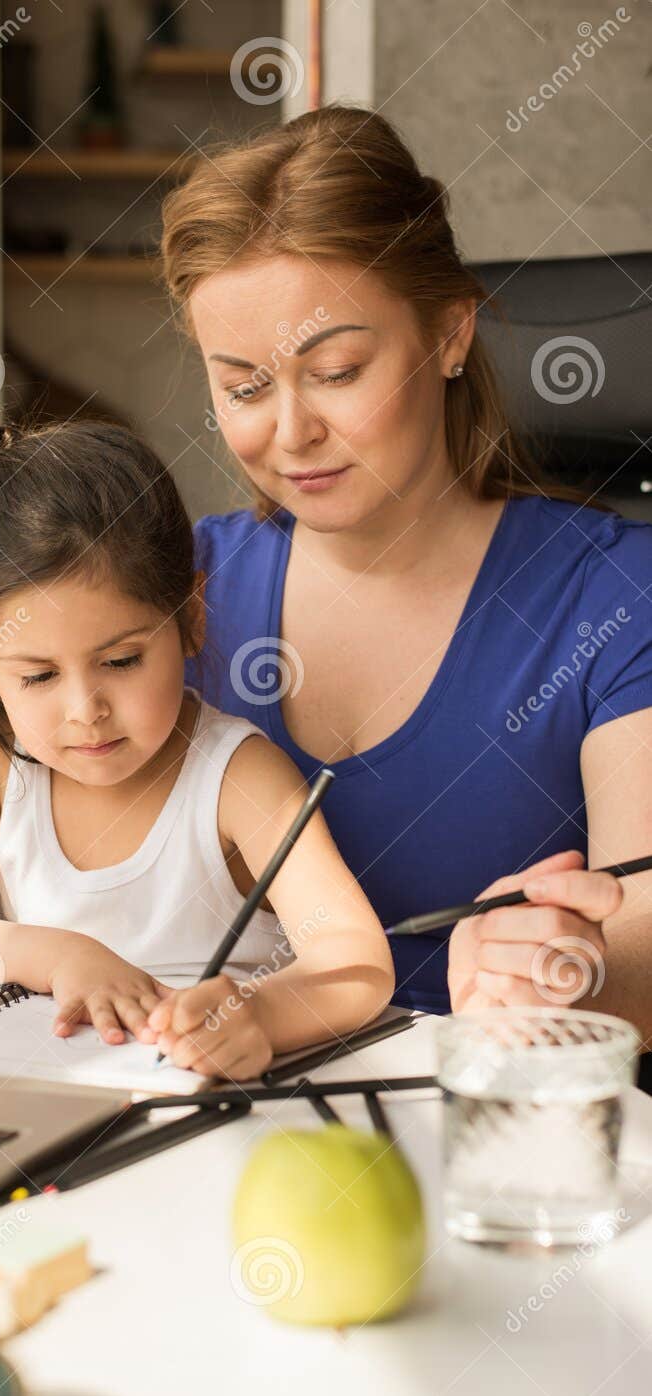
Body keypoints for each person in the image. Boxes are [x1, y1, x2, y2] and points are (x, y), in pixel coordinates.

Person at [160, 103, 652, 1040]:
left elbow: (649, 944)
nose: (291, 432)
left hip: (494, 1103)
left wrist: (569, 973)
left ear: (451, 334)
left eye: (338, 371)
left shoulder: (619, 598)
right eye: (244, 387)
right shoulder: (167, 593)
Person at [0, 416, 394, 1080]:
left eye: (122, 661)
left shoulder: (236, 776)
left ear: (191, 618)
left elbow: (357, 960)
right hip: (70, 1097)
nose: (85, 711)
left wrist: (260, 1014)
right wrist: (58, 955)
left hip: (215, 1101)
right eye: (38, 676)